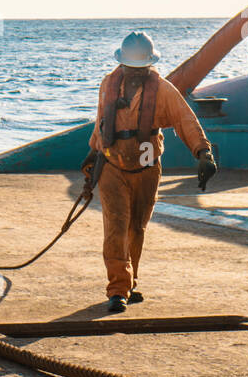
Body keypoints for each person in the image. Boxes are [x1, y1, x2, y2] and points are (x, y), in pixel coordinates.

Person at [81, 31, 217, 313]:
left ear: (148, 67)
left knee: (136, 229)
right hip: (112, 168)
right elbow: (101, 122)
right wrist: (93, 153)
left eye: (139, 70)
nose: (133, 74)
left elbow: (185, 120)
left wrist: (203, 153)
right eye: (129, 69)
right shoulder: (108, 84)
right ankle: (118, 290)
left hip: (146, 171)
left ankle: (130, 283)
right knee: (116, 228)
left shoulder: (163, 90)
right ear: (121, 65)